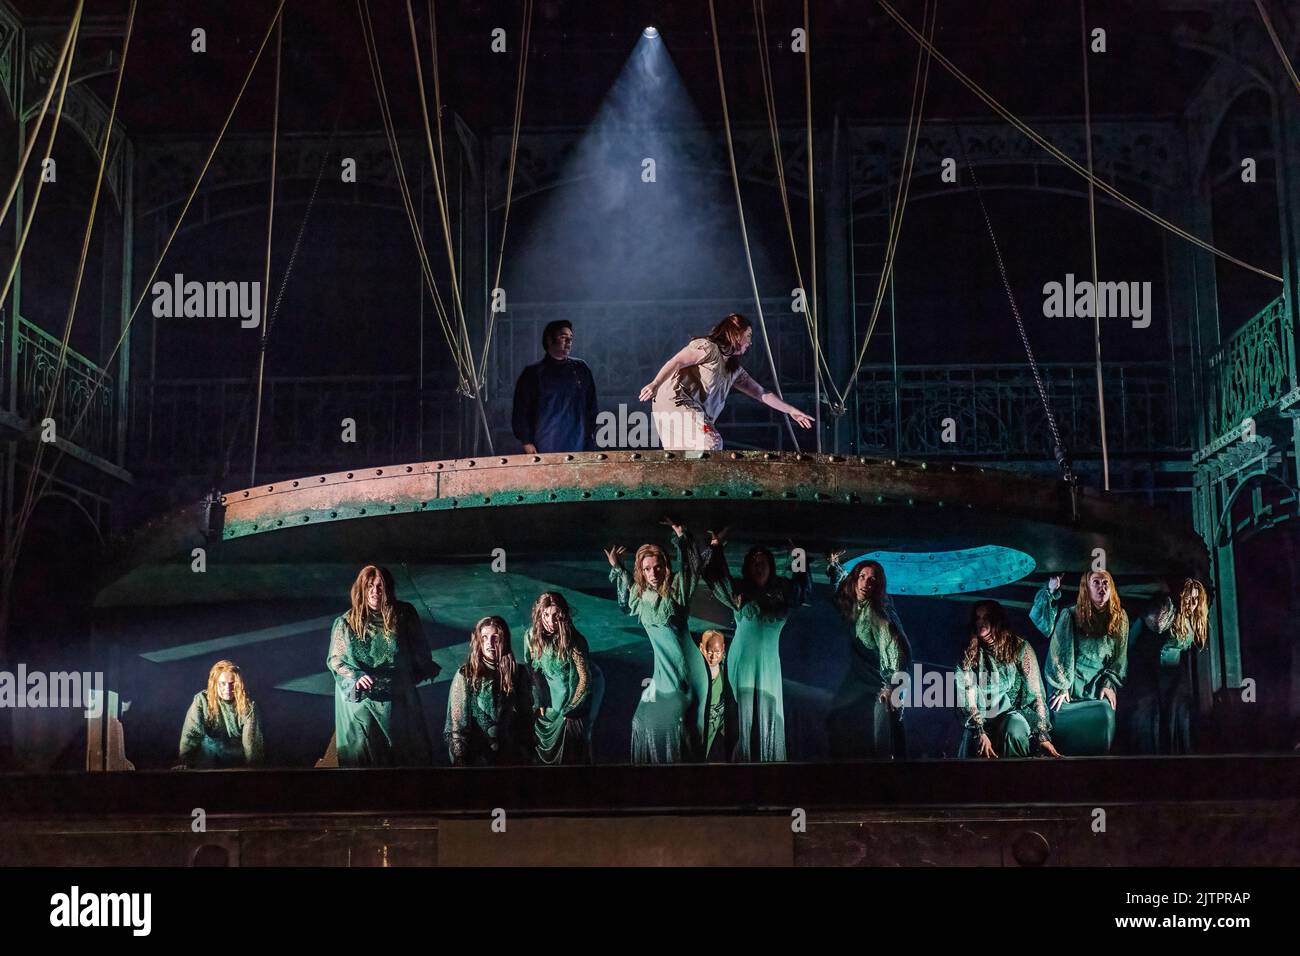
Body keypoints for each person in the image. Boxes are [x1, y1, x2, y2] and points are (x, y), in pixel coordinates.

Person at [605, 519, 709, 763]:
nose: (654, 573)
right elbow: (626, 596)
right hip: (662, 672)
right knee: (641, 720)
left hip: (686, 671)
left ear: (666, 566)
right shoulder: (641, 595)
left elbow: (692, 568)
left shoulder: (676, 588)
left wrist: (682, 538)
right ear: (641, 570)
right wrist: (618, 568)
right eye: (648, 568)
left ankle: (684, 786)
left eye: (658, 566)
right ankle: (655, 786)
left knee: (676, 727)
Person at [700, 530, 810, 761]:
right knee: (743, 715)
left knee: (769, 713)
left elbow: (803, 591)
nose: (758, 566)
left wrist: (798, 554)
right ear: (747, 568)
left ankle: (769, 766)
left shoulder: (782, 590)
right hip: (744, 663)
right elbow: (716, 579)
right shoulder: (739, 590)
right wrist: (716, 546)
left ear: (770, 565)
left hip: (769, 664)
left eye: (762, 562)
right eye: (753, 563)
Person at [638, 312, 813, 451]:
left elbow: (761, 393)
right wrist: (655, 383)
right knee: (711, 442)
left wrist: (791, 411)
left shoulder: (734, 370)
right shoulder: (708, 348)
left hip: (681, 411)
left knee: (685, 454)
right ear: (736, 334)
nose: (750, 342)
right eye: (748, 335)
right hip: (675, 402)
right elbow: (677, 361)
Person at [326, 565, 439, 767]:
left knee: (403, 748)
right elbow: (336, 659)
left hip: (396, 693)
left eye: (380, 586)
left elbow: (419, 648)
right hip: (363, 697)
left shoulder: (403, 614)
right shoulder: (346, 622)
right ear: (362, 589)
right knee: (367, 749)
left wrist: (414, 671)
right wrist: (356, 675)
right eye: (370, 586)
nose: (375, 592)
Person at [1030, 570, 1130, 755]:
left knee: (1104, 717)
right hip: (1070, 686)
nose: (1102, 588)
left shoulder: (1120, 617)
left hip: (1097, 687)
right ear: (1087, 588)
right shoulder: (1070, 615)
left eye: (1105, 583)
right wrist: (1061, 686)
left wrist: (1109, 683)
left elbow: (1119, 657)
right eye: (1096, 583)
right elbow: (1058, 654)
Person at [825, 553, 912, 759]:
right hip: (861, 679)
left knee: (881, 739)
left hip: (880, 683)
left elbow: (895, 648)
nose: (865, 583)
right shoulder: (854, 601)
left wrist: (892, 686)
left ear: (878, 585)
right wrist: (833, 566)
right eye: (862, 577)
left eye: (872, 580)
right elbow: (840, 588)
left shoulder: (877, 613)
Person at [955, 601, 1061, 758]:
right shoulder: (969, 653)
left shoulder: (1019, 647)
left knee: (1014, 730)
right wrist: (979, 731)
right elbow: (966, 693)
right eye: (977, 618)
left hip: (1012, 713)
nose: (981, 622)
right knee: (974, 744)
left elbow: (1036, 693)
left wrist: (1042, 735)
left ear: (997, 620)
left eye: (986, 617)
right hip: (980, 718)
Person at [1125, 579, 1209, 754]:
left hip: (1175, 675)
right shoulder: (1168, 613)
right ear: (1182, 596)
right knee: (1151, 715)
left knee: (1179, 714)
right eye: (1189, 598)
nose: (1192, 603)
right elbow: (1132, 639)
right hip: (1154, 674)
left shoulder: (1194, 621)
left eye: (1196, 599)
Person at [445, 615, 533, 766]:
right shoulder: (466, 674)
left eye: (495, 638)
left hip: (511, 756)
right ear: (478, 641)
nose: (489, 643)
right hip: (477, 756)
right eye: (484, 637)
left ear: (504, 640)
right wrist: (460, 760)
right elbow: (457, 726)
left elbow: (526, 718)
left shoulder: (518, 673)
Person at [523, 592, 599, 765]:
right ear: (539, 615)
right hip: (551, 697)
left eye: (556, 615)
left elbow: (585, 679)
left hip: (574, 692)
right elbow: (532, 668)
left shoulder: (575, 642)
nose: (551, 621)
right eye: (546, 615)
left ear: (564, 615)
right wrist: (540, 698)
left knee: (575, 741)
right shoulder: (531, 636)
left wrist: (572, 708)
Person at [511, 319, 598, 453]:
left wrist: (588, 434)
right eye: (563, 337)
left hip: (579, 442)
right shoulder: (533, 373)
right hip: (546, 442)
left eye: (570, 338)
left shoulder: (581, 368)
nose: (568, 342)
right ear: (549, 340)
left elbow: (592, 405)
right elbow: (521, 411)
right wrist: (527, 441)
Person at [178, 660, 264, 768]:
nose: (227, 689)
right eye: (222, 683)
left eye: (232, 683)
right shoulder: (201, 700)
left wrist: (252, 770)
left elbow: (251, 744)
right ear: (214, 683)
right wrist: (184, 762)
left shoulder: (248, 705)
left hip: (236, 767)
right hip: (206, 766)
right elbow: (190, 735)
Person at [698, 629, 739, 762]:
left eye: (717, 652)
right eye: (709, 652)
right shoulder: (696, 676)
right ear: (701, 648)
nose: (713, 657)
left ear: (723, 650)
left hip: (717, 740)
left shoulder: (726, 676)